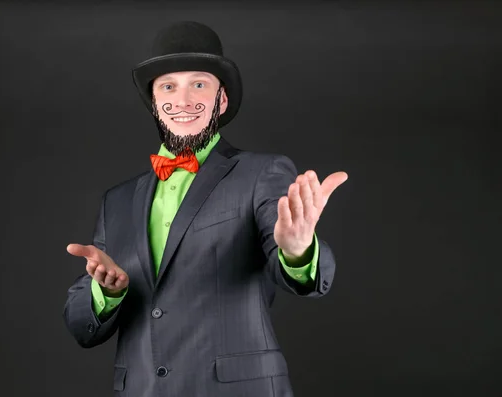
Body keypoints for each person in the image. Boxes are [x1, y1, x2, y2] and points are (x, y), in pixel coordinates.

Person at [63, 21, 348, 397]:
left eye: (199, 84)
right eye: (168, 86)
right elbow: (82, 326)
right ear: (154, 103)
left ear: (222, 99)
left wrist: (298, 252)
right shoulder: (116, 201)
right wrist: (106, 293)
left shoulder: (262, 172)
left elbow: (300, 271)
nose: (182, 101)